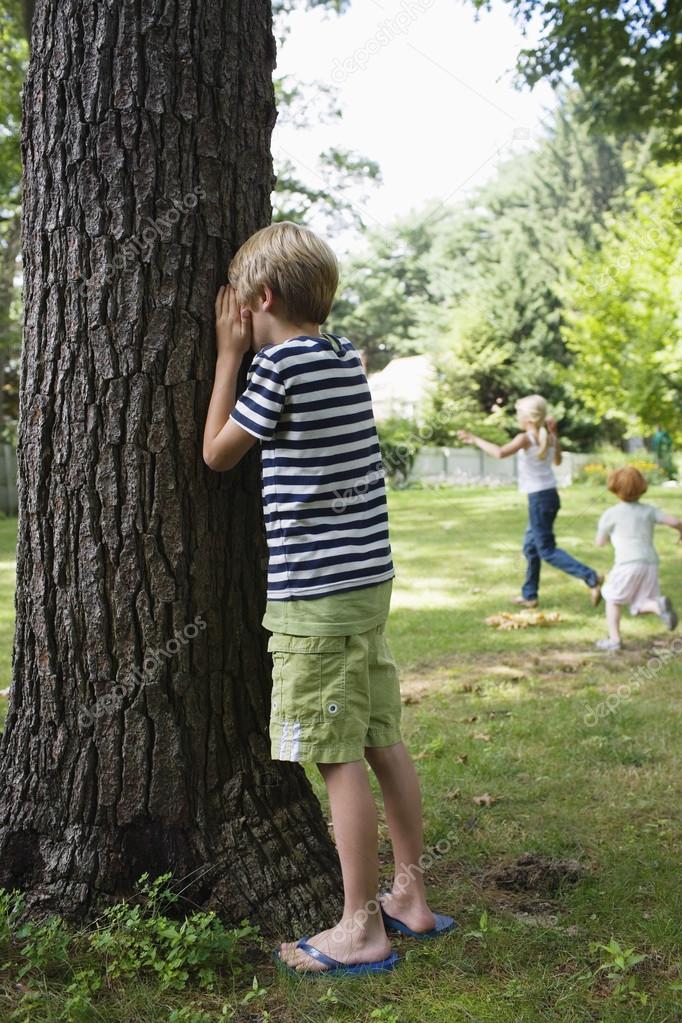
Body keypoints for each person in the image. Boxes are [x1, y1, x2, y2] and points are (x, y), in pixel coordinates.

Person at [202, 222, 454, 977]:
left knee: (338, 754)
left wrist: (227, 357)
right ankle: (409, 895)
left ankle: (360, 926)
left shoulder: (275, 370)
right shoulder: (343, 356)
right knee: (380, 735)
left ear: (262, 299)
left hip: (317, 596)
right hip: (367, 586)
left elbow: (216, 454)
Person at [458, 395, 603, 608]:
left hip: (539, 499)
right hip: (549, 496)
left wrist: (475, 439)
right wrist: (555, 433)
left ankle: (591, 577)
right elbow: (558, 461)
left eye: (518, 413)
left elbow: (499, 453)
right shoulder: (549, 437)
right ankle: (530, 595)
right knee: (530, 548)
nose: (516, 417)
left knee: (546, 550)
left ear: (527, 418)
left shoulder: (525, 438)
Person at [594, 466, 682, 651]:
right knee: (640, 603)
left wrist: (608, 537)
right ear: (642, 486)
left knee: (612, 597)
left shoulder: (611, 514)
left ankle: (614, 640)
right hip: (650, 563)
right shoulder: (649, 510)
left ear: (614, 488)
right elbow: (675, 522)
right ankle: (658, 606)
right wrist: (680, 531)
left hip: (627, 563)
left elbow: (600, 542)